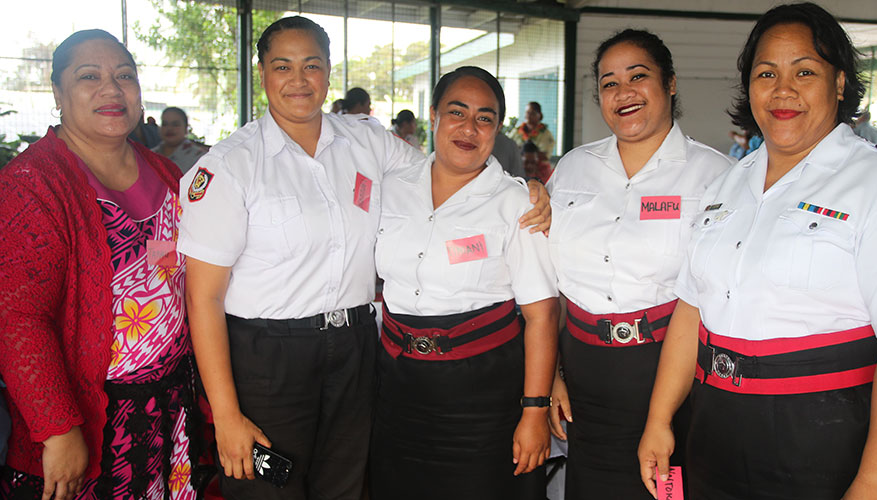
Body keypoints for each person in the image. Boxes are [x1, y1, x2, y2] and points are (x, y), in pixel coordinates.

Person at [178, 17, 551, 500]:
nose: (298, 80)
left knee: (344, 485)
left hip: (356, 352)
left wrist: (525, 190)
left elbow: (448, 173)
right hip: (270, 365)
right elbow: (202, 298)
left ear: (329, 71)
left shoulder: (366, 141)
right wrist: (226, 414)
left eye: (312, 65)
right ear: (262, 72)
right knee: (271, 487)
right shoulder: (230, 166)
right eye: (282, 66)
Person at [637, 4, 877, 500]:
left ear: (841, 82)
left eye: (804, 71)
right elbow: (692, 308)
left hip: (831, 438)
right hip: (716, 430)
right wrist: (659, 419)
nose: (783, 90)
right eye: (766, 73)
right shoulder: (729, 182)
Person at [0, 29, 199, 500]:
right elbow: (17, 317)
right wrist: (57, 428)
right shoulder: (32, 184)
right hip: (87, 418)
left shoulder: (166, 173)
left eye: (124, 76)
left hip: (168, 406)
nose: (112, 90)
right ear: (57, 93)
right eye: (89, 76)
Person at [546, 29, 732, 500]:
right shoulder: (572, 168)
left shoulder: (715, 177)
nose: (623, 92)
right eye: (609, 83)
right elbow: (548, 281)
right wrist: (552, 375)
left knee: (663, 490)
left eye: (638, 76)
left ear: (669, 82)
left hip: (670, 375)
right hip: (583, 375)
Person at [370, 65, 559, 500]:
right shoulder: (392, 188)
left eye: (485, 117)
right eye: (457, 112)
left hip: (483, 393)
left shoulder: (516, 202)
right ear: (433, 114)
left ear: (497, 128)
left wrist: (534, 410)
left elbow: (542, 315)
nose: (469, 128)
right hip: (399, 385)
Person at [153, 106, 209, 174]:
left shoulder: (199, 157)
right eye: (165, 124)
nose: (169, 128)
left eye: (175, 124)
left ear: (186, 128)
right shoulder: (149, 156)